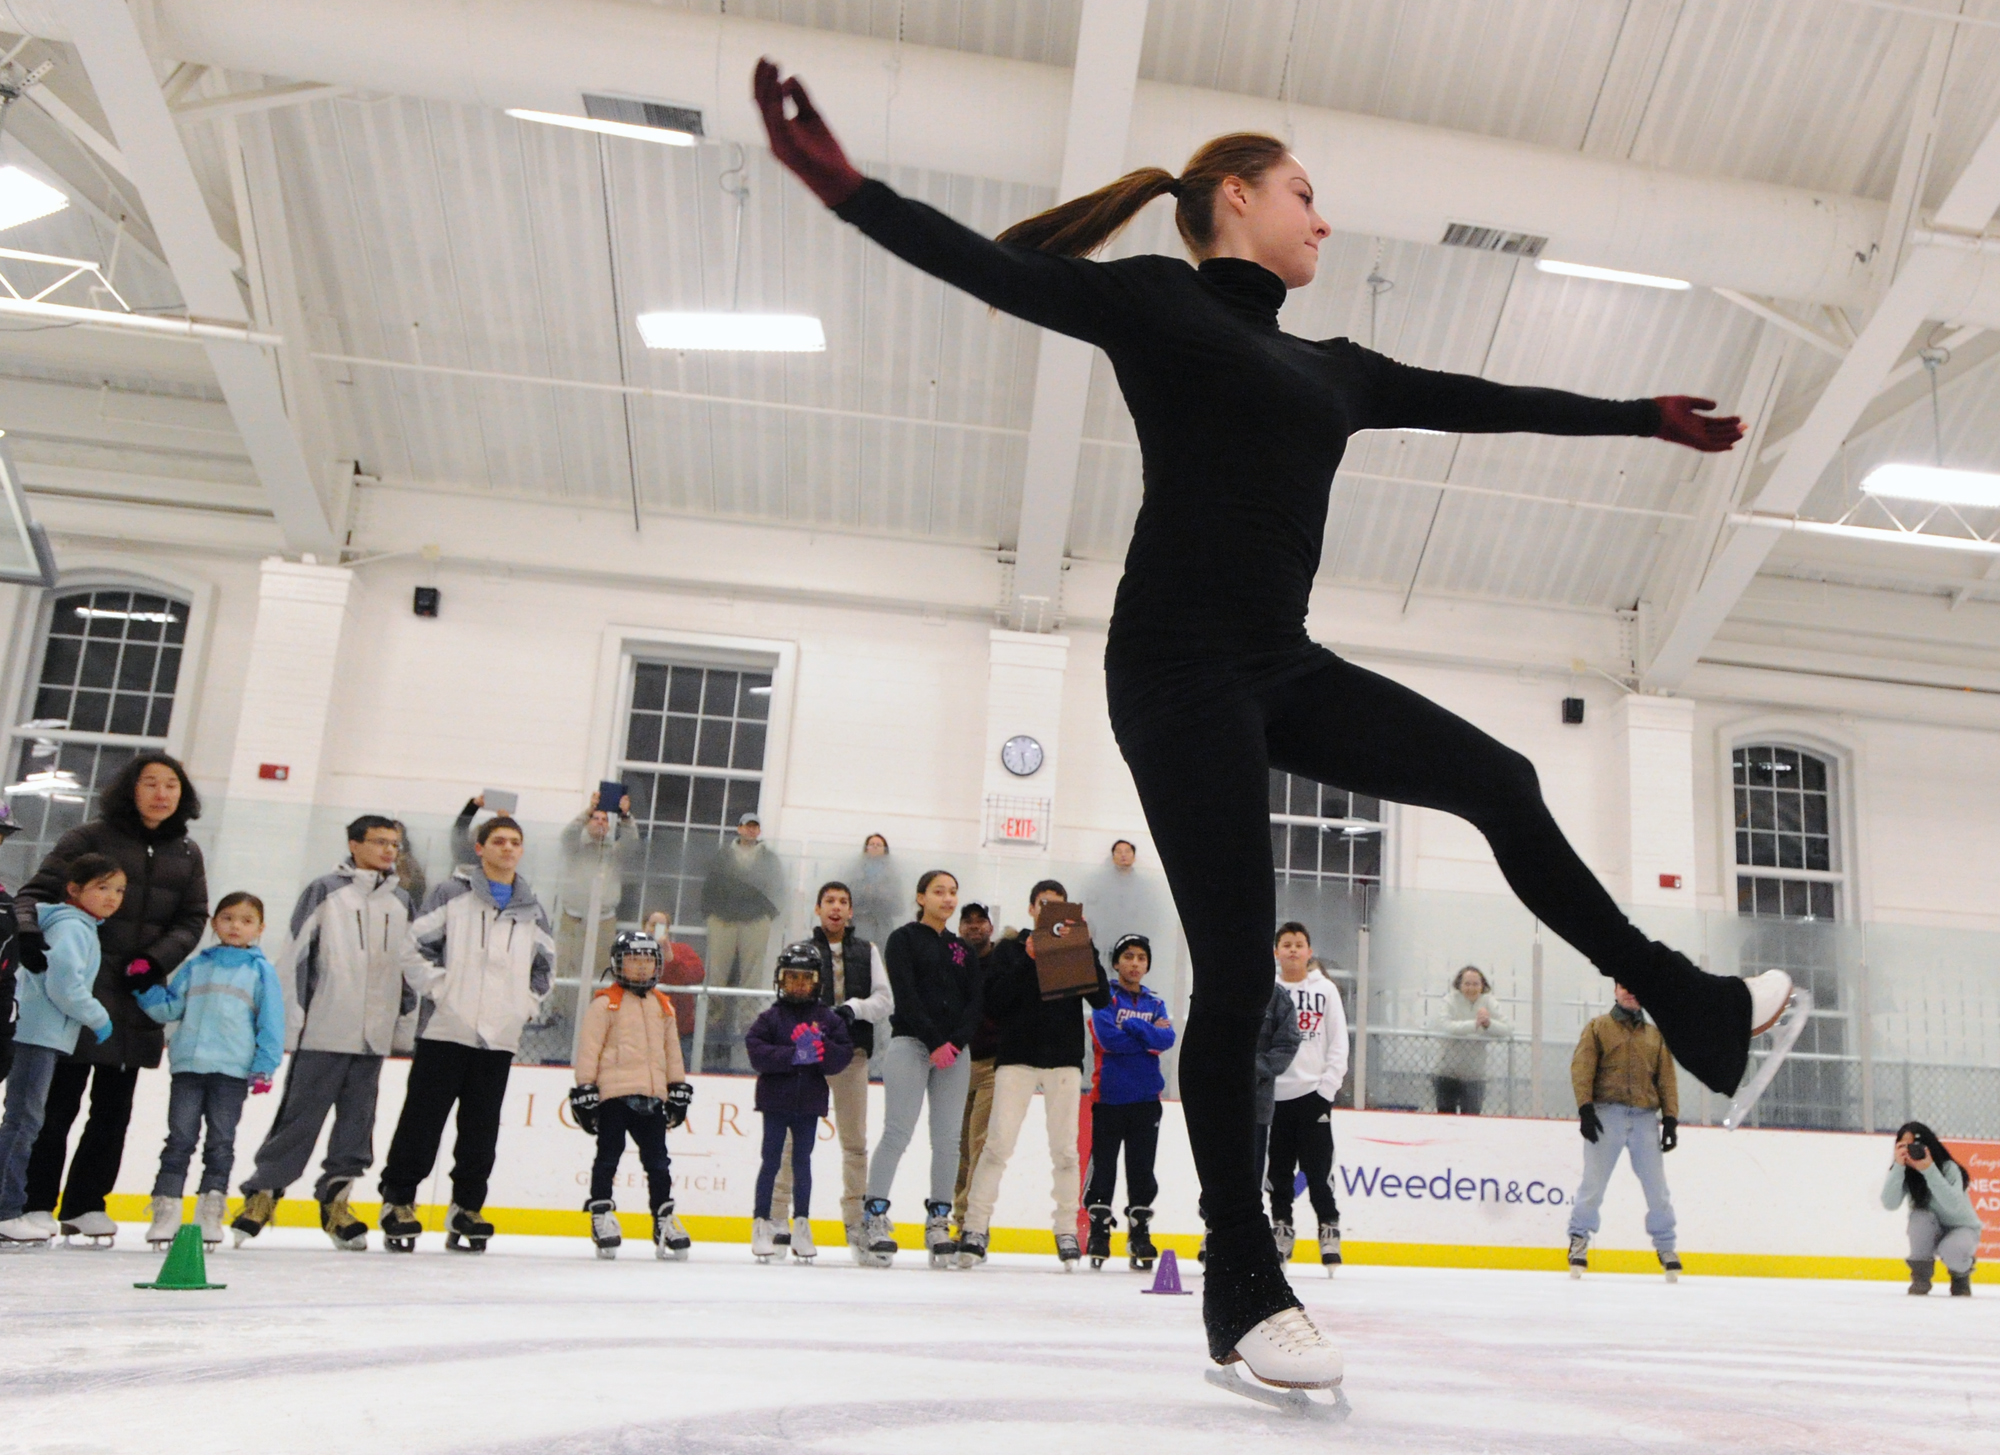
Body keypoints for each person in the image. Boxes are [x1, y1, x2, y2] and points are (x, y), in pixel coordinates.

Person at [757, 58, 1791, 1387]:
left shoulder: (1333, 366)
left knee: (1503, 775)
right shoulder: (1154, 303)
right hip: (1176, 674)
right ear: (1233, 198)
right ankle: (1241, 1283)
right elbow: (991, 268)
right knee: (1240, 975)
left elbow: (1481, 400)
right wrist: (844, 188)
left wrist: (1640, 416)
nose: (1323, 216)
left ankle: (1696, 1005)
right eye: (1305, 192)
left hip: (1279, 665)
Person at [13, 751, 209, 1248]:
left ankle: (86, 1203)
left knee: (113, 1110)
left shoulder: (186, 853)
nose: (162, 794)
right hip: (78, 996)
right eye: (151, 784)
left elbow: (191, 919)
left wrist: (155, 960)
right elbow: (32, 896)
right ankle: (36, 1201)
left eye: (172, 785)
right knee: (56, 1105)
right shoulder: (90, 839)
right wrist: (33, 938)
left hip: (136, 998)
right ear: (129, 789)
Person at [231, 816, 428, 1250]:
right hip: (323, 1030)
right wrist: (293, 1021)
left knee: (358, 1123)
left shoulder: (402, 902)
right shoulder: (325, 891)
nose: (388, 851)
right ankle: (263, 1193)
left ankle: (336, 1200)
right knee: (299, 1118)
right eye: (378, 842)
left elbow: (410, 969)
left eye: (394, 844)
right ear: (354, 845)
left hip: (373, 1037)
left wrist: (402, 1022)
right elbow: (296, 954)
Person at [378, 815, 553, 1253]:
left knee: (480, 1127)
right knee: (422, 1121)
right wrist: (442, 992)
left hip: (498, 1037)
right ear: (480, 848)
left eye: (515, 842)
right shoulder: (450, 894)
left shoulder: (531, 908)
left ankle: (467, 1207)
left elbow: (545, 965)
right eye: (498, 841)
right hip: (445, 1030)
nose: (508, 849)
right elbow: (414, 947)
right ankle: (398, 1201)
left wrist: (524, 1007)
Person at [958, 879, 1111, 1270]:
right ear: (1031, 909)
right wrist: (1028, 957)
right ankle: (975, 1226)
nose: (1049, 911)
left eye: (1057, 905)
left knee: (1065, 1150)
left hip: (1062, 1059)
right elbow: (996, 1001)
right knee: (997, 1145)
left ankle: (1065, 1230)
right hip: (1017, 1057)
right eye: (1043, 904)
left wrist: (1086, 949)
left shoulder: (1074, 947)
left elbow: (1101, 999)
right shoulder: (1010, 948)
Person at [136, 892, 284, 1250]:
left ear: (260, 929)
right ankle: (167, 1209)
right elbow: (169, 1009)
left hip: (231, 1072)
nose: (236, 926)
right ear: (214, 923)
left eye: (246, 920)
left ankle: (209, 1209)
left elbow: (271, 1021)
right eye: (228, 918)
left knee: (220, 1143)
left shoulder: (261, 971)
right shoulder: (195, 965)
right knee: (179, 1140)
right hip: (188, 1067)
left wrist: (265, 1065)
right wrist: (143, 988)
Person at [767, 881, 892, 1260]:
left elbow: (885, 1000)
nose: (836, 908)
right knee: (791, 1137)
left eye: (843, 902)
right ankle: (776, 1218)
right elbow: (785, 999)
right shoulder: (800, 952)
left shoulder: (866, 951)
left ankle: (856, 1222)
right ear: (818, 909)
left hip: (851, 1053)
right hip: (807, 1053)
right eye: (829, 901)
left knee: (854, 1143)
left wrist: (854, 1008)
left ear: (851, 911)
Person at [862, 869, 981, 1268]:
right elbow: (906, 995)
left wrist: (956, 1043)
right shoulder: (903, 939)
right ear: (920, 897)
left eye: (953, 892)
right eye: (939, 892)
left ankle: (938, 1221)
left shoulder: (961, 948)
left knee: (948, 1141)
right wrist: (934, 1042)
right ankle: (874, 1217)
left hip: (954, 1054)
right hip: (912, 1045)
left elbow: (973, 1003)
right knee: (897, 1132)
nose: (948, 899)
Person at [0, 855, 117, 1247]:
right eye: (102, 887)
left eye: (118, 890)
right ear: (74, 889)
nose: (112, 897)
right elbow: (64, 983)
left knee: (22, 1119)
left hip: (41, 1031)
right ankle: (5, 1209)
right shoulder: (72, 927)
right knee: (24, 1121)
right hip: (38, 1033)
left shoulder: (78, 926)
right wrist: (97, 1016)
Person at [571, 931, 695, 1261]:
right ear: (618, 963)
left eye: (647, 960)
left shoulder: (662, 1005)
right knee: (608, 1156)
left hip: (652, 1097)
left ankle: (663, 1217)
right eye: (633, 960)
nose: (640, 968)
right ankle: (601, 1212)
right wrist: (585, 1088)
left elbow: (672, 1052)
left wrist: (677, 1087)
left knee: (658, 1162)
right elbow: (589, 1049)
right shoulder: (605, 1003)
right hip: (613, 1095)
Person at [745, 941, 855, 1262]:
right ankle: (761, 1222)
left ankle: (802, 1224)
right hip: (775, 1101)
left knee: (802, 1162)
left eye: (806, 978)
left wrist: (823, 1050)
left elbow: (842, 1054)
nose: (799, 984)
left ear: (817, 981)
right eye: (792, 977)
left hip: (809, 1102)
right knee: (771, 1160)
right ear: (781, 979)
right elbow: (756, 1050)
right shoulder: (770, 1018)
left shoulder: (826, 1018)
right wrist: (793, 1056)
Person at [1566, 984, 1681, 1281]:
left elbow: (1666, 1078)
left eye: (1635, 986)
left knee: (1657, 1189)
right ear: (1615, 991)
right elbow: (1582, 1068)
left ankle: (1666, 1246)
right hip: (1607, 1115)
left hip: (1644, 1118)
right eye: (1624, 986)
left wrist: (1670, 1118)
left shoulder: (1655, 1035)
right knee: (1593, 1183)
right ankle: (1579, 1238)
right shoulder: (1599, 1027)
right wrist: (1586, 1109)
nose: (1631, 992)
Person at [1085, 932, 1175, 1270]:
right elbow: (1107, 1038)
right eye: (1128, 956)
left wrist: (1138, 1032)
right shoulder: (1104, 998)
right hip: (1108, 1098)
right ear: (1116, 962)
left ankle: (1139, 1231)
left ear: (1147, 964)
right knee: (1104, 1168)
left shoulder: (1155, 1002)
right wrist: (1145, 1032)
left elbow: (1166, 1039)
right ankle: (1099, 1229)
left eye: (1141, 958)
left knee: (1142, 1170)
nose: (1135, 963)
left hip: (1146, 1099)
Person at [1267, 923, 1348, 1270]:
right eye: (1286, 944)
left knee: (1318, 1170)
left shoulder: (1326, 990)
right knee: (1279, 1171)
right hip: (1274, 1097)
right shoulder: (1268, 990)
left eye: (1299, 944)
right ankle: (1281, 1228)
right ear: (1276, 952)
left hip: (1313, 1095)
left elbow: (1338, 1042)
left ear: (1309, 950)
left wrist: (1326, 1090)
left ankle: (1328, 1227)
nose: (1293, 950)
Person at [701, 812, 783, 1049]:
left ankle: (748, 1025)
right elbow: (710, 885)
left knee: (752, 974)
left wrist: (768, 913)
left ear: (758, 831)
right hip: (723, 918)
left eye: (754, 826)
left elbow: (777, 887)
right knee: (717, 971)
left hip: (755, 918)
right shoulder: (723, 855)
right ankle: (712, 1026)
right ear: (739, 829)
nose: (750, 830)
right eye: (747, 826)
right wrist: (711, 912)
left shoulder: (769, 859)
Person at [949, 901, 999, 1240]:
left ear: (990, 928)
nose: (975, 927)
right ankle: (959, 1216)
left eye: (981, 921)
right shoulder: (953, 960)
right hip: (956, 1063)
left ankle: (972, 1222)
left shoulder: (1002, 960)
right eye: (968, 921)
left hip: (993, 1064)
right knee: (957, 1147)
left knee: (980, 1143)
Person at [1884, 1122, 1978, 1297]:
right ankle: (1920, 1277)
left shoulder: (1949, 1168)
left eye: (1914, 1146)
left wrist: (1929, 1170)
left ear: (1928, 1146)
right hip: (1928, 1227)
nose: (1910, 1151)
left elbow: (1952, 1205)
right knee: (1919, 1217)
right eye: (1904, 1146)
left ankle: (1960, 1275)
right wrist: (1898, 1166)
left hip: (1960, 1228)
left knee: (1952, 1250)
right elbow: (1889, 1203)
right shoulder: (1904, 1172)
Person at [555, 791, 636, 990]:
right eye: (595, 818)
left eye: (605, 819)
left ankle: (596, 1011)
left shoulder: (615, 851)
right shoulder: (575, 847)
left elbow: (632, 842)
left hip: (604, 918)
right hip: (573, 916)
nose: (600, 822)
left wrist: (625, 817)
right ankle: (558, 1013)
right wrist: (589, 810)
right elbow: (568, 834)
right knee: (564, 966)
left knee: (601, 971)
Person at [1435, 965, 1511, 1115]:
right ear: (1459, 985)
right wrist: (1474, 1025)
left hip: (1475, 1076)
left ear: (1483, 986)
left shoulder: (1489, 1002)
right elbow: (1445, 1027)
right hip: (1446, 1073)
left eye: (1476, 984)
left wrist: (1488, 1023)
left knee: (1472, 1121)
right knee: (1444, 1119)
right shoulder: (1449, 1000)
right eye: (1467, 984)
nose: (1471, 988)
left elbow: (1507, 1029)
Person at [643, 910, 706, 1062]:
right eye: (652, 925)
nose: (655, 929)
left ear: (667, 929)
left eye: (661, 926)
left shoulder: (682, 950)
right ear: (643, 927)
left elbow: (697, 974)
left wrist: (671, 958)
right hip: (642, 1030)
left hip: (679, 1032)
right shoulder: (633, 952)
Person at [849, 833, 902, 951]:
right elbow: (847, 899)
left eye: (879, 844)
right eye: (871, 844)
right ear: (866, 849)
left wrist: (885, 895)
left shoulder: (893, 875)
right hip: (860, 923)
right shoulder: (854, 871)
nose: (875, 846)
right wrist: (863, 891)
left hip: (883, 926)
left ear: (885, 850)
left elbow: (899, 907)